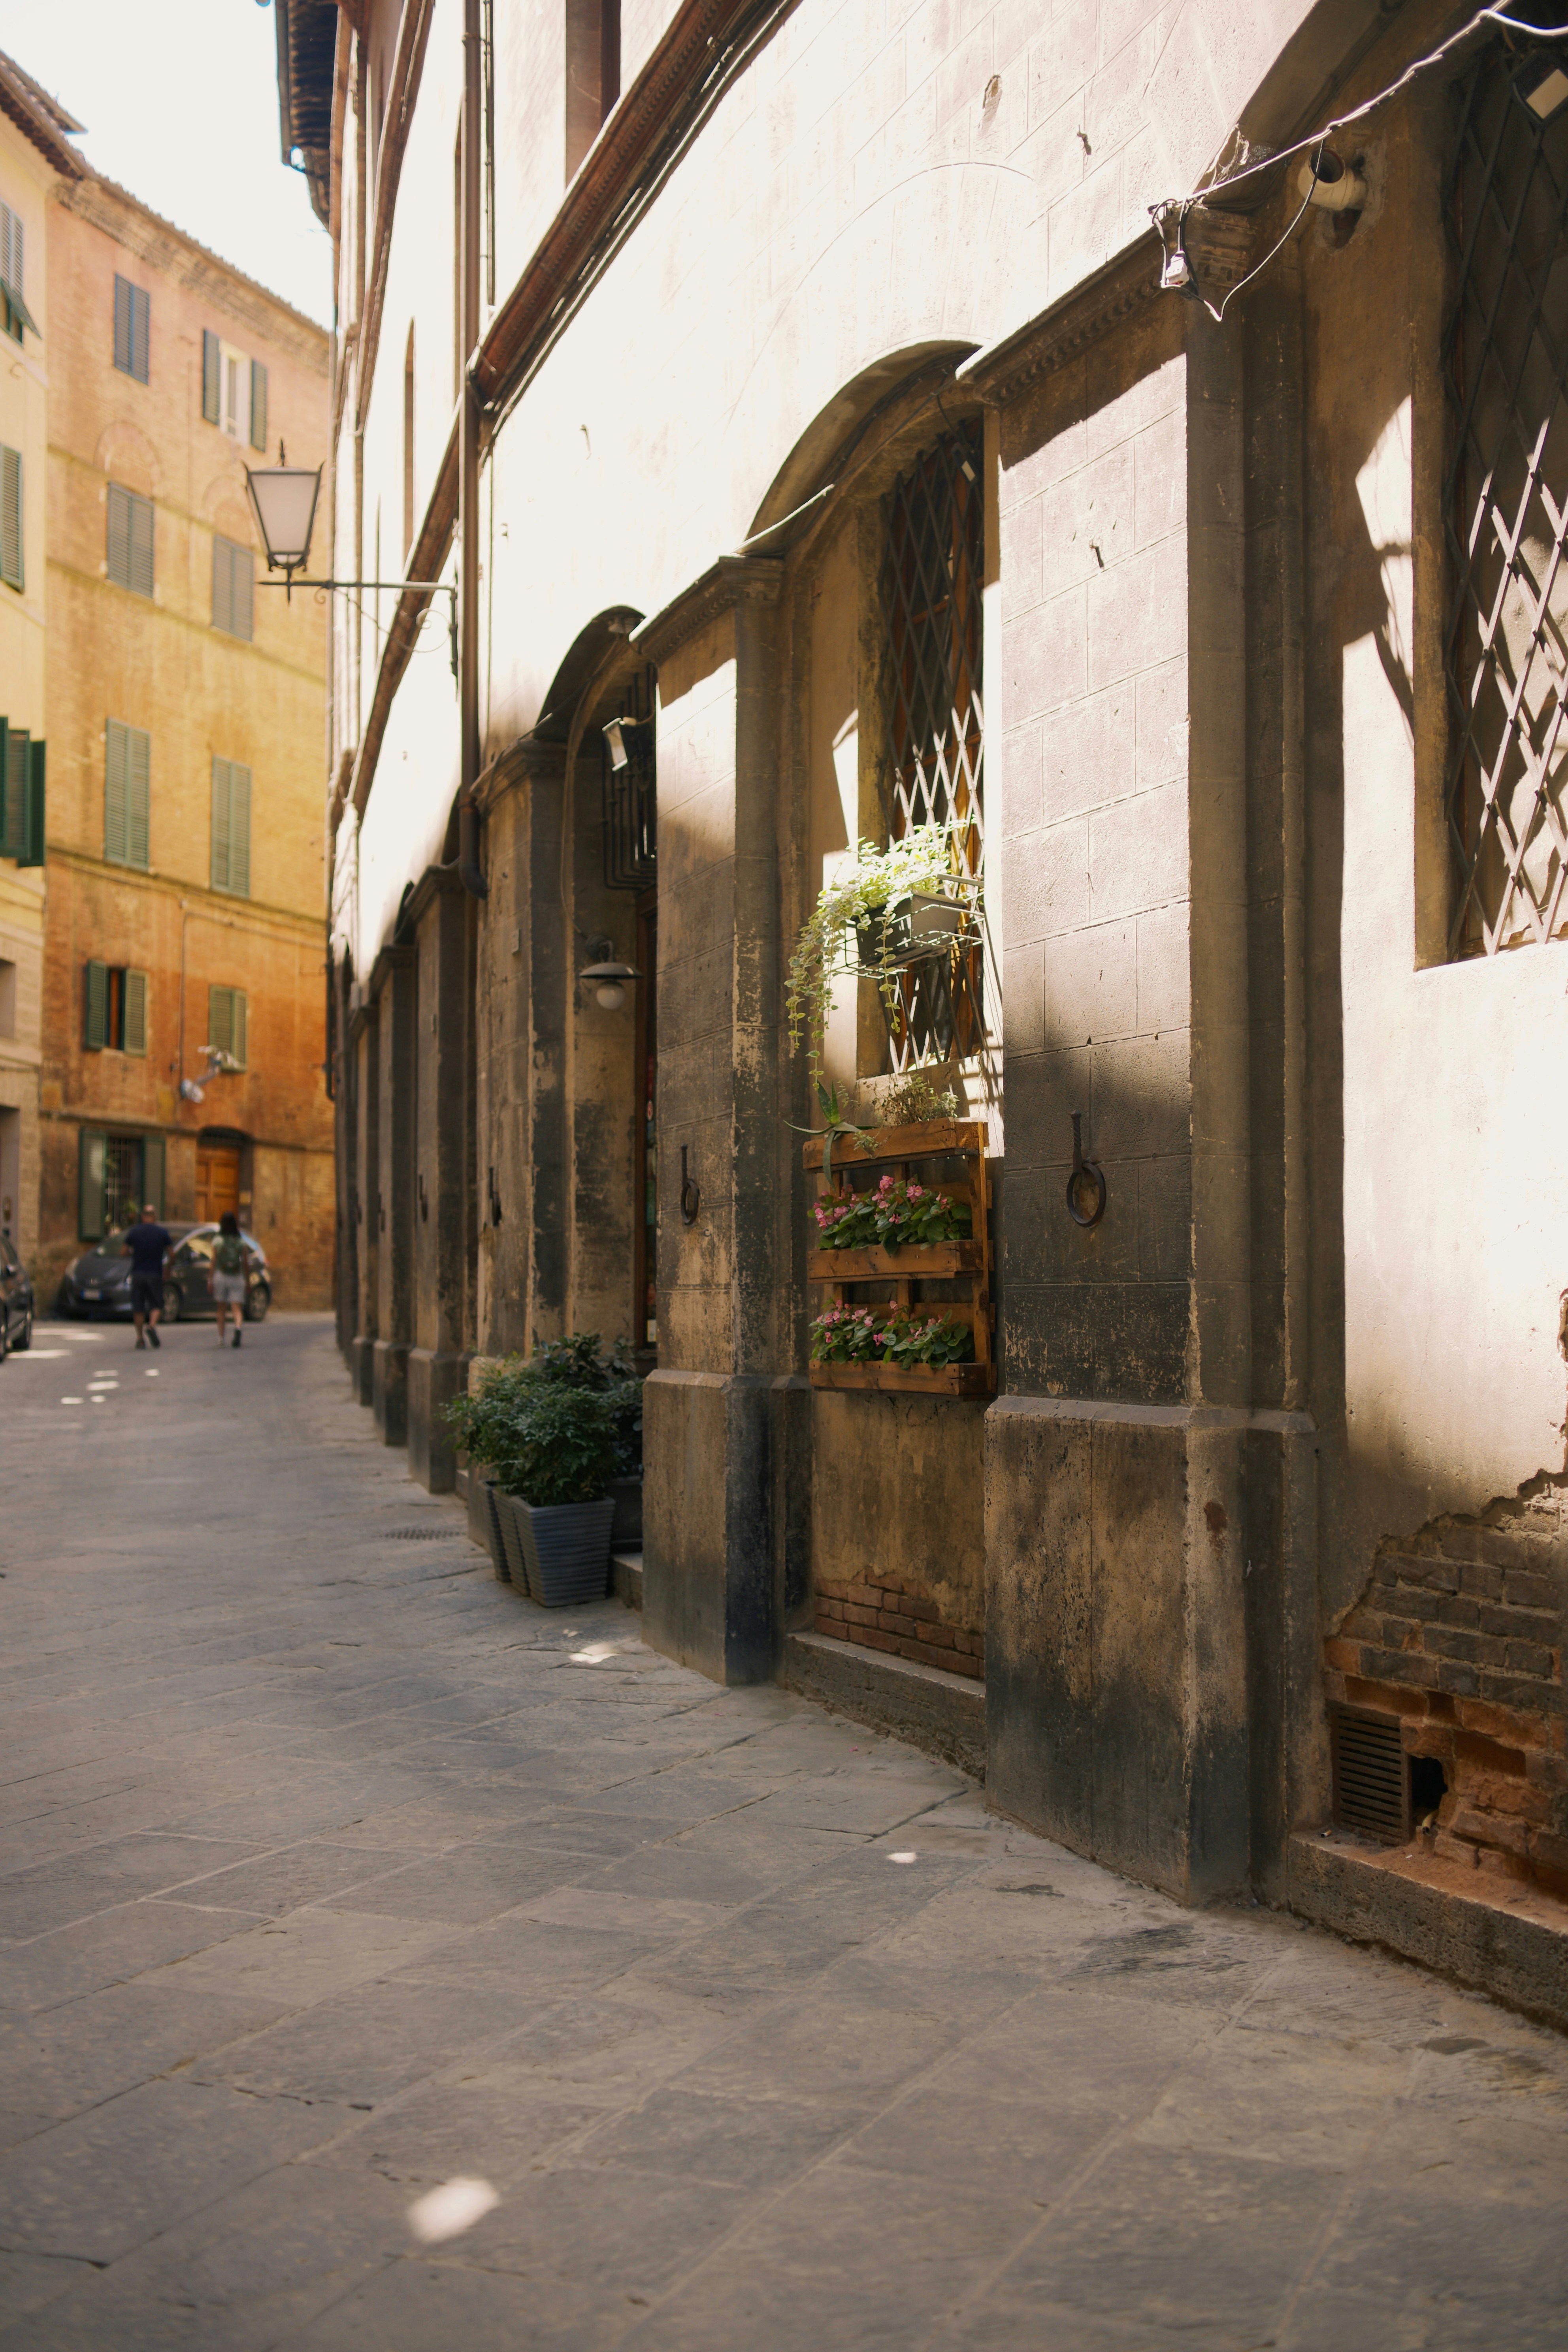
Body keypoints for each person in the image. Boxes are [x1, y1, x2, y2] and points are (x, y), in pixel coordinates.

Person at [121, 1203, 172, 1349]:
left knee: (138, 1307)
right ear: (154, 1216)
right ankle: (152, 1325)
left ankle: (140, 1339)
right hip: (155, 1273)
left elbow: (123, 1252)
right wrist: (168, 1268)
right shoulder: (162, 1233)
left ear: (143, 1216)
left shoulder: (134, 1232)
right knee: (157, 1304)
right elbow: (171, 1253)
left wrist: (134, 1253)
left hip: (138, 1273)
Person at [211, 1210, 255, 1349]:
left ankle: (221, 1339)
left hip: (221, 1275)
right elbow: (245, 1264)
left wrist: (210, 1280)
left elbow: (213, 1262)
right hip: (237, 1276)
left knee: (221, 1309)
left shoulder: (217, 1241)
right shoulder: (241, 1241)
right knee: (237, 1308)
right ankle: (237, 1328)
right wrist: (248, 1281)